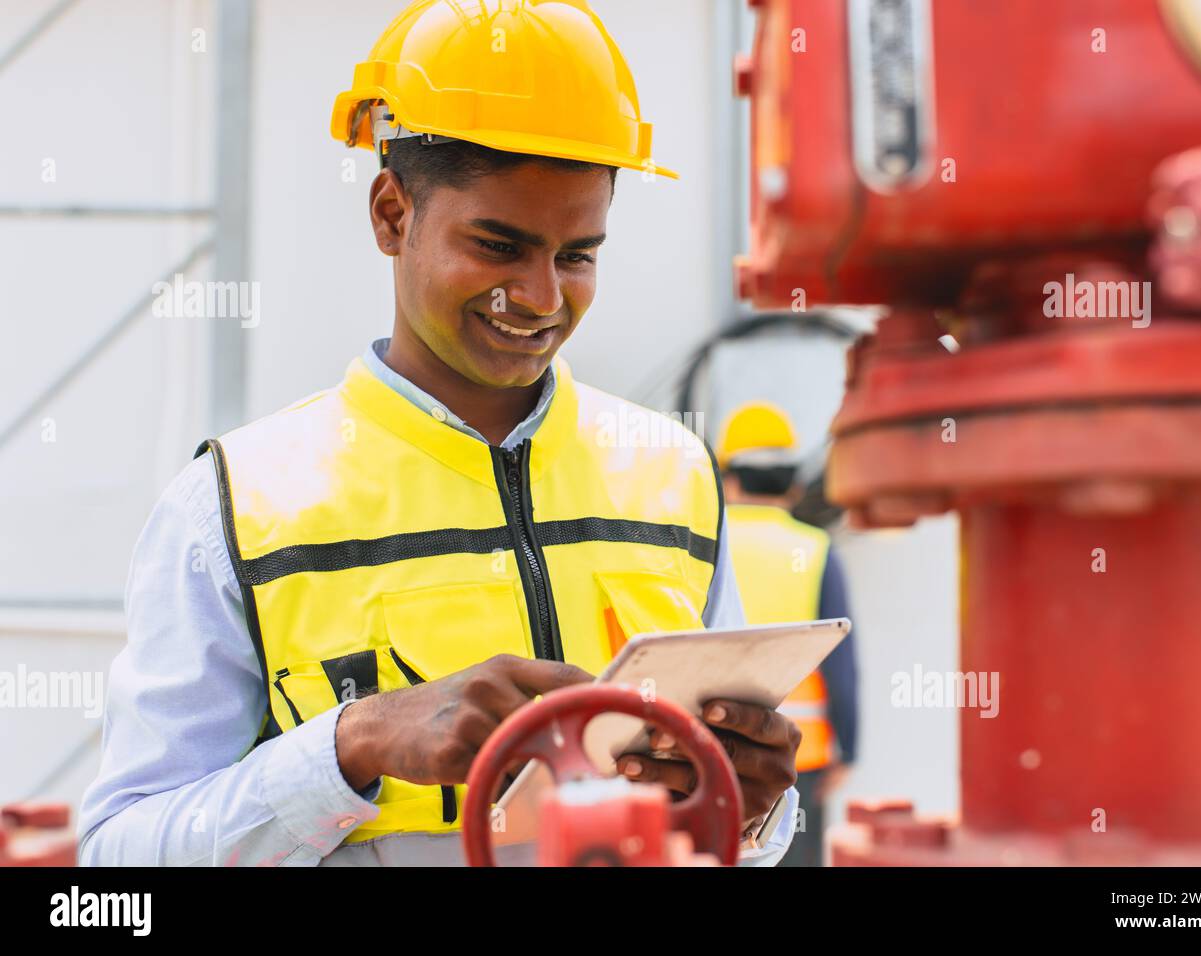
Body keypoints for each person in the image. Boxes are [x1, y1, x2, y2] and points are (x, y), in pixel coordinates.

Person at [77, 0, 800, 866]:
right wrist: (352, 743)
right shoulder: (235, 507)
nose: (539, 297)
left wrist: (750, 811)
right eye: (498, 246)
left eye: (577, 255)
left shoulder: (674, 477)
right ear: (391, 214)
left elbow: (725, 838)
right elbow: (119, 862)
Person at [716, 401, 859, 867]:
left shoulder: (705, 543)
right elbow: (842, 666)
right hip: (800, 756)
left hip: (713, 750)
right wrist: (849, 747)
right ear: (796, 487)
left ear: (728, 481)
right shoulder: (816, 550)